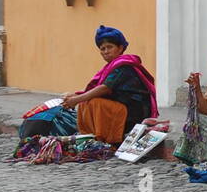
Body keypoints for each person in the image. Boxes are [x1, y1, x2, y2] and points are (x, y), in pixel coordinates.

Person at [19, 26, 157, 144]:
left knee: (94, 102)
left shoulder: (124, 66)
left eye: (109, 47)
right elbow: (97, 88)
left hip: (133, 112)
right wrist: (76, 96)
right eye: (102, 49)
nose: (106, 51)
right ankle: (92, 135)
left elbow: (105, 88)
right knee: (87, 101)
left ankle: (107, 137)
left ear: (120, 48)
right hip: (122, 108)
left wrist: (77, 99)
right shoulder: (112, 66)